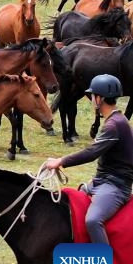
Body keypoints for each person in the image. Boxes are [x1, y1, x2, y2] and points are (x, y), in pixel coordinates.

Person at [45, 74, 133, 247]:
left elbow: (91, 153)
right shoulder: (115, 120)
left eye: (92, 96)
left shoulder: (114, 125)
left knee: (93, 220)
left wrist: (60, 161)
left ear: (99, 98)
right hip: (102, 181)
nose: (91, 99)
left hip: (115, 186)